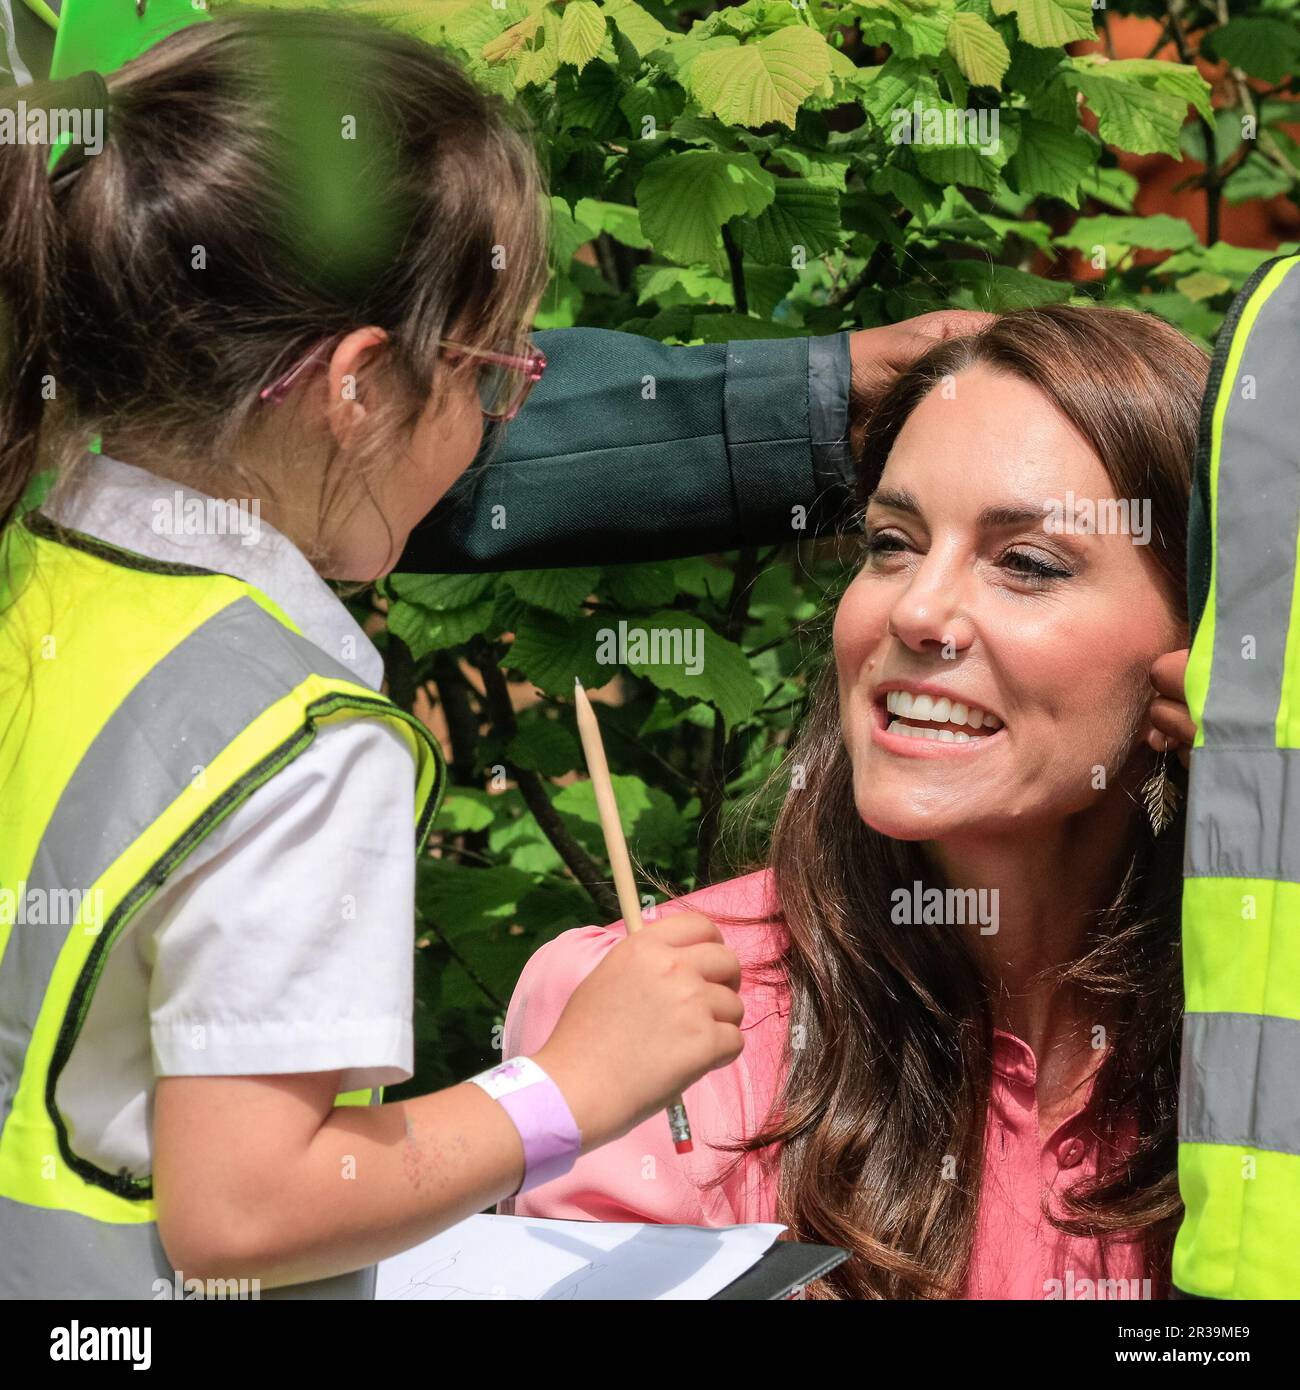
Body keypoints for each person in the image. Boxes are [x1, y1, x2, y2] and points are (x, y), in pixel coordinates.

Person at [502, 304, 1207, 1300]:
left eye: (1026, 563)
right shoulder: (661, 1016)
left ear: (1199, 647)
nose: (915, 609)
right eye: (891, 541)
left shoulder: (1262, 1019)